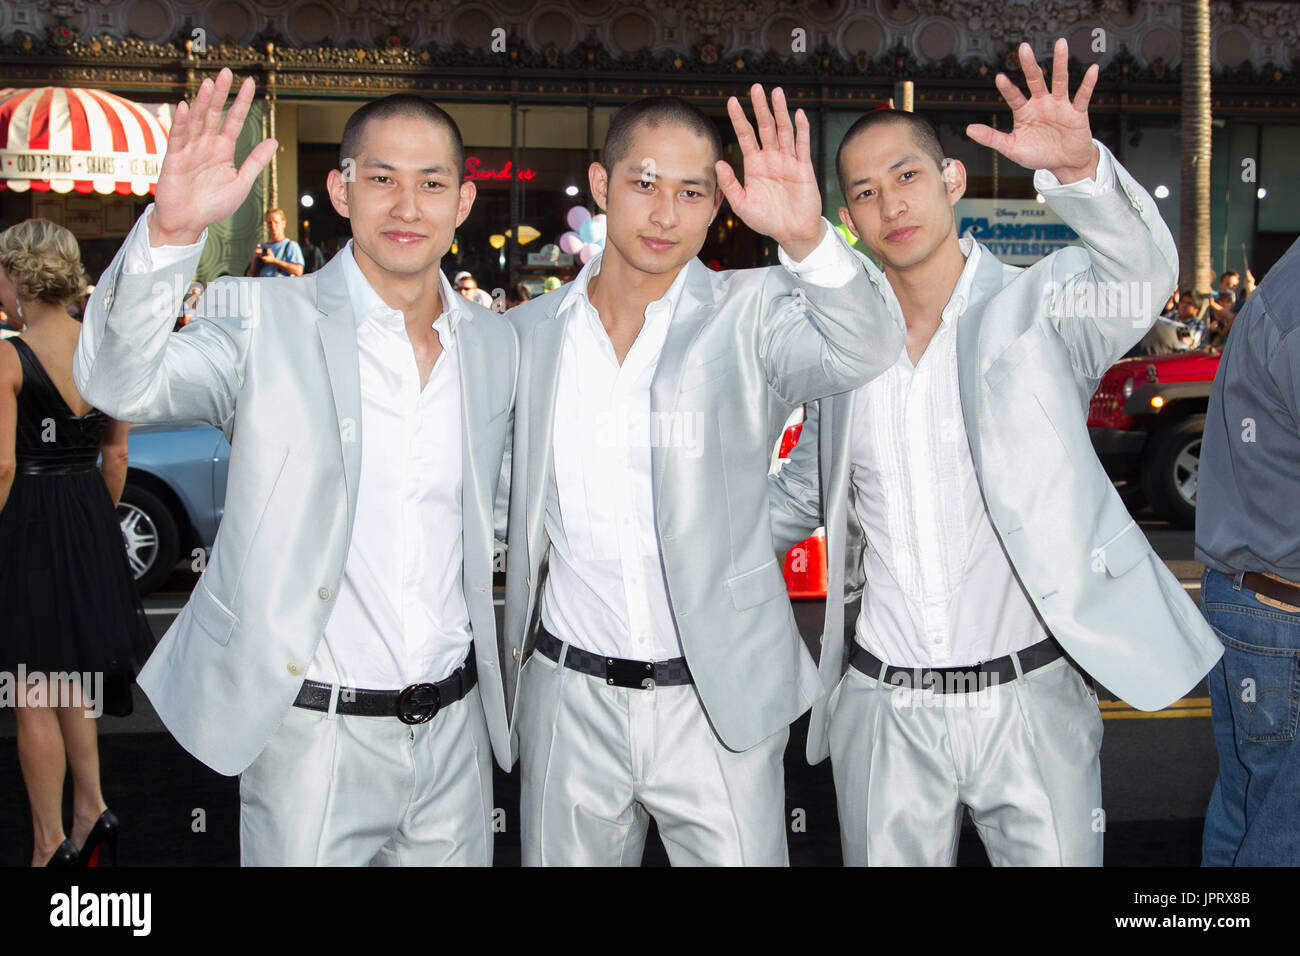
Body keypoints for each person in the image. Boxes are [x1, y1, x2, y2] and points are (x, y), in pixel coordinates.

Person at [769, 39, 1222, 866]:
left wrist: (1080, 171)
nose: (890, 204)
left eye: (907, 175)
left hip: (1030, 699)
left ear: (952, 180)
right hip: (883, 707)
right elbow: (800, 496)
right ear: (849, 220)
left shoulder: (1037, 307)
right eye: (864, 193)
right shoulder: (843, 354)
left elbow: (1143, 276)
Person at [75, 71, 518, 866]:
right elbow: (116, 383)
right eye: (381, 179)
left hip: (456, 734)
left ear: (463, 201)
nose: (407, 205)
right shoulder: (261, 320)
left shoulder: (495, 345)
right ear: (341, 191)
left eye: (431, 183)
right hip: (312, 737)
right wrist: (170, 232)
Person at [502, 87, 902, 866]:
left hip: (719, 701)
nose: (665, 214)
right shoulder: (524, 337)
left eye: (692, 193)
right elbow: (500, 501)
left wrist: (806, 237)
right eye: (645, 184)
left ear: (717, 205)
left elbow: (867, 349)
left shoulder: (749, 311)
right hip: (567, 698)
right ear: (601, 184)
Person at [0, 219, 154, 866]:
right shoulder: (105, 349)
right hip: (89, 515)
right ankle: (92, 809)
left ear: (18, 276)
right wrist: (90, 521)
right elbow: (116, 455)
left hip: (26, 520)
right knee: (71, 680)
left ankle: (48, 844)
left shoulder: (10, 357)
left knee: (32, 689)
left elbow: (2, 467)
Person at [1196, 235, 1300, 866]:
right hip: (1282, 608)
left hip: (1255, 596)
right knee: (1278, 836)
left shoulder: (1283, 287)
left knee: (1247, 821)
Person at [246, 207, 304, 278]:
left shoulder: (290, 246)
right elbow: (252, 275)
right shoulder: (263, 246)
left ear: (283, 223)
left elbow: (298, 271)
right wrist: (255, 260)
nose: (273, 226)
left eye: (276, 222)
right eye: (269, 223)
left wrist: (274, 261)